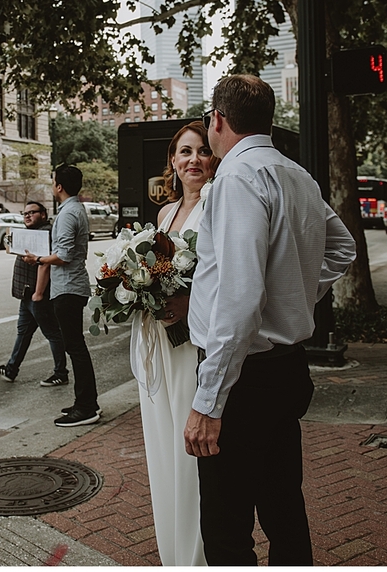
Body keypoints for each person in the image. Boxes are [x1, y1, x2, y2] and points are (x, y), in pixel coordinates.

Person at [184, 74, 357, 566]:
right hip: (286, 370)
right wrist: (297, 293)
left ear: (217, 120)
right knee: (284, 508)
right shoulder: (296, 175)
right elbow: (342, 248)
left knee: (226, 524)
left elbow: (238, 302)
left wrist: (208, 403)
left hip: (246, 380)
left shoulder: (237, 179)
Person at [138, 122, 219, 566]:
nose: (194, 160)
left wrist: (188, 303)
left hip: (194, 343)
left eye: (203, 152)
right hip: (160, 340)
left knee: (190, 446)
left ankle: (196, 554)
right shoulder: (164, 216)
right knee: (163, 440)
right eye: (185, 152)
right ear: (172, 160)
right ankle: (172, 547)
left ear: (213, 160)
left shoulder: (218, 207)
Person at [21, 165, 100, 427]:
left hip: (68, 289)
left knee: (75, 348)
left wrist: (38, 259)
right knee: (74, 347)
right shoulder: (73, 209)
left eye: (53, 181)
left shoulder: (68, 214)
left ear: (59, 186)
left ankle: (87, 407)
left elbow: (63, 256)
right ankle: (84, 402)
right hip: (68, 288)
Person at [0, 201, 69, 387]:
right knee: (23, 332)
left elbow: (46, 265)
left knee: (52, 333)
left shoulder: (47, 233)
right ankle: (11, 369)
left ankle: (61, 373)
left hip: (37, 293)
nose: (27, 216)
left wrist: (39, 293)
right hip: (26, 293)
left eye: (32, 212)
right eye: (24, 213)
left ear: (43, 214)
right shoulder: (30, 232)